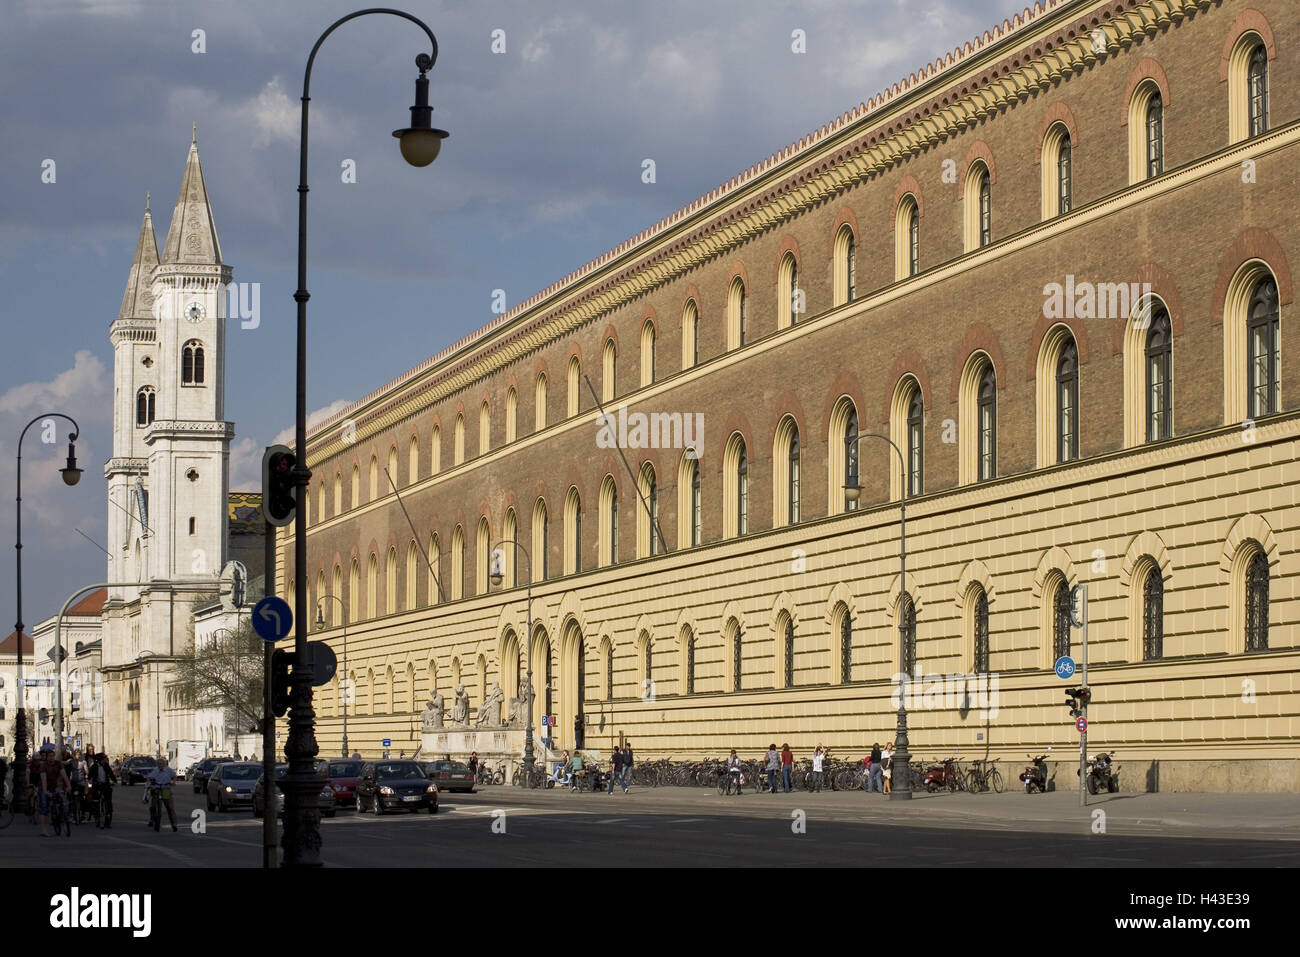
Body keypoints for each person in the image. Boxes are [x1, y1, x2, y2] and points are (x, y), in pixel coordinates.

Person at [36, 743, 69, 837]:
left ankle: (62, 814)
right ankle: (44, 830)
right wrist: (46, 791)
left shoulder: (58, 764)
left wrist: (68, 786)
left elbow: (64, 775)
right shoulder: (44, 766)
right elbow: (43, 779)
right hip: (44, 787)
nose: (51, 757)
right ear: (46, 757)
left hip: (54, 786)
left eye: (53, 756)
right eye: (50, 756)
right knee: (44, 807)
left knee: (62, 798)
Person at [142, 756, 178, 832]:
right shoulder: (155, 771)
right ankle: (153, 819)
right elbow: (149, 778)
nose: (160, 765)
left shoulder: (168, 770)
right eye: (158, 764)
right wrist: (151, 784)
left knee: (170, 807)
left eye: (161, 764)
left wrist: (173, 782)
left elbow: (174, 776)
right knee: (153, 805)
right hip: (157, 789)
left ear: (164, 764)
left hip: (166, 789)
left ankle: (174, 824)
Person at [89, 752, 117, 828]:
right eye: (103, 759)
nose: (105, 760)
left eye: (105, 759)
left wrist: (114, 780)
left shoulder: (106, 766)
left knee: (108, 802)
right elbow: (89, 775)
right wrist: (89, 780)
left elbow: (111, 774)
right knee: (96, 801)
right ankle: (97, 816)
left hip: (105, 785)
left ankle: (108, 820)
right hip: (97, 785)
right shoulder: (94, 766)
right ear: (99, 760)